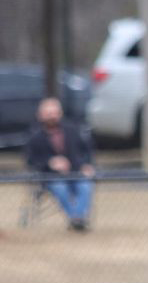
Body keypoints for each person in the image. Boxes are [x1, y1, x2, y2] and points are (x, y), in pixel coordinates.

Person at [25, 96, 96, 232]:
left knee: (85, 185)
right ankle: (77, 219)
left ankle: (76, 219)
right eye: (48, 113)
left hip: (75, 173)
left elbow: (87, 150)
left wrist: (86, 164)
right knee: (60, 188)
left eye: (54, 113)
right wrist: (50, 163)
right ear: (40, 116)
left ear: (60, 113)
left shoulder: (72, 131)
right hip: (50, 178)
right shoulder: (35, 137)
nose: (52, 116)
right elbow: (30, 160)